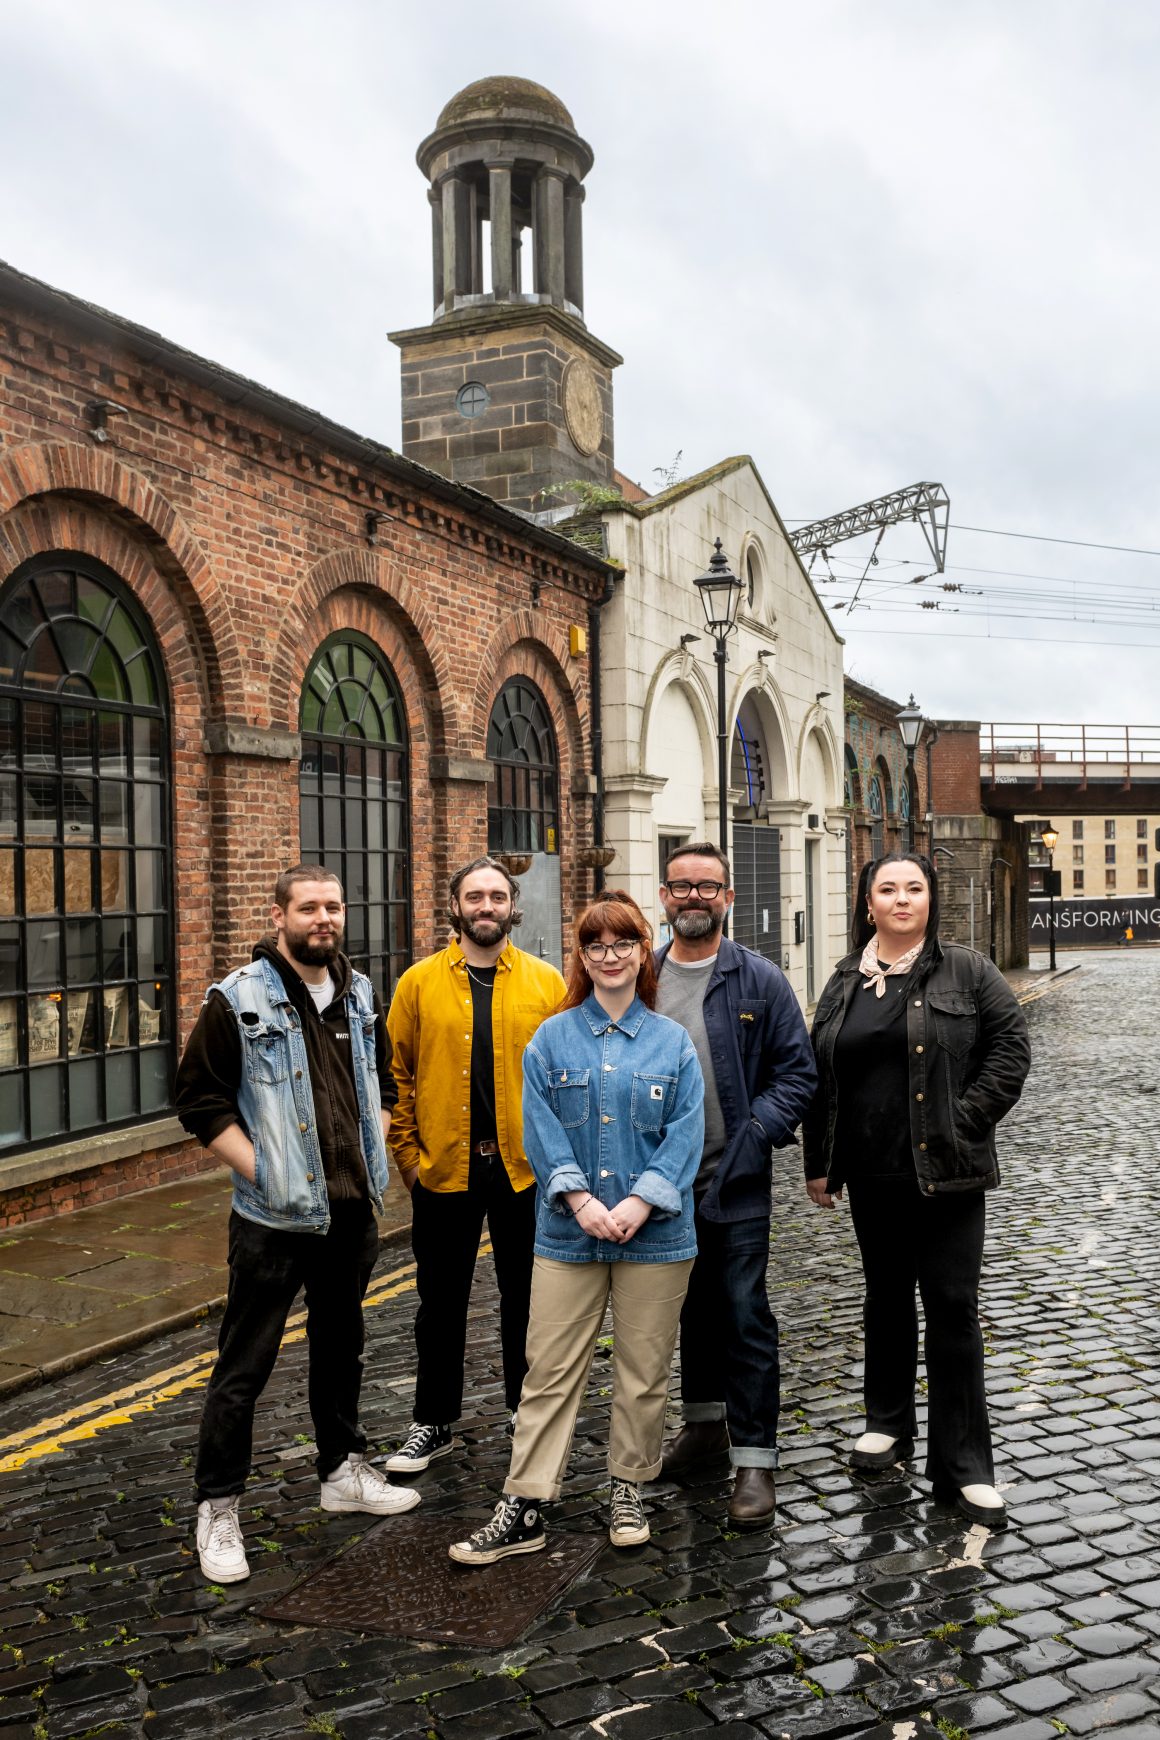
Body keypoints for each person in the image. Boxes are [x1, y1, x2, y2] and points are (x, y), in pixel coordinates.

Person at [175, 865, 419, 1586]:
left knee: (342, 1348)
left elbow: (384, 1083)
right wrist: (267, 1173)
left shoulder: (360, 992)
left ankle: (342, 1471)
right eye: (309, 907)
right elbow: (198, 1100)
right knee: (243, 1368)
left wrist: (373, 1148)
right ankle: (217, 1506)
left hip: (349, 1213)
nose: (324, 918)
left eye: (333, 906)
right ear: (279, 915)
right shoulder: (238, 998)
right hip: (273, 1221)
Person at [448, 890, 705, 1564]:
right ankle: (526, 1502)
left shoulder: (672, 1043)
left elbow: (685, 1137)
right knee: (549, 1370)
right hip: (568, 1234)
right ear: (582, 956)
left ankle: (628, 1485)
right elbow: (539, 1128)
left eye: (623, 943)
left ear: (643, 951)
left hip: (657, 1238)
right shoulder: (551, 1039)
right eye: (596, 945)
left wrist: (641, 1202)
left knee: (643, 1372)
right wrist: (582, 1200)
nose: (610, 956)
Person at [803, 852, 1031, 1528]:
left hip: (947, 1173)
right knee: (885, 1299)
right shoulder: (845, 978)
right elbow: (823, 1076)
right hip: (872, 1173)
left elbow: (1011, 1049)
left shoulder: (967, 970)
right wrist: (822, 1161)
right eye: (887, 889)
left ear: (929, 900)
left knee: (954, 1307)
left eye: (914, 888)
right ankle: (887, 1423)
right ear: (867, 902)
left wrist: (961, 1121)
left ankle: (965, 1465)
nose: (901, 900)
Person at [385, 857, 566, 1475]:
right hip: (443, 1170)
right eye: (474, 897)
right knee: (439, 1303)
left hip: (525, 1172)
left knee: (528, 1298)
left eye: (496, 896)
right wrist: (407, 1159)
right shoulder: (417, 983)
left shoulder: (547, 984)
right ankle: (433, 1422)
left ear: (513, 906)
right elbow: (395, 1075)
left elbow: (566, 1078)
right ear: (454, 906)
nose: (485, 907)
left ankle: (525, 1408)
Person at [655, 842, 817, 1529]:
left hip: (735, 1178)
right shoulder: (636, 977)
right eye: (680, 886)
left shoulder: (759, 979)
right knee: (686, 1312)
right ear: (663, 896)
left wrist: (755, 1134)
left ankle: (756, 1460)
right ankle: (704, 1429)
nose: (693, 897)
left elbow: (798, 1074)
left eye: (707, 888)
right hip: (656, 1186)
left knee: (745, 1317)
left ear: (727, 897)